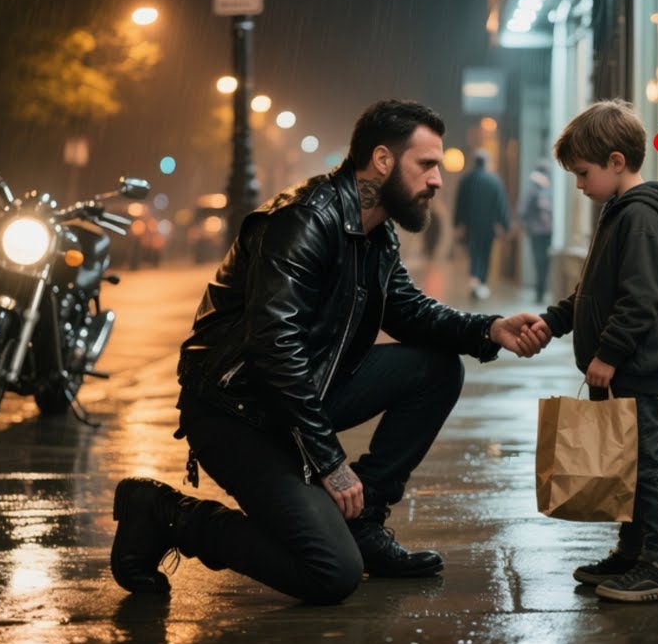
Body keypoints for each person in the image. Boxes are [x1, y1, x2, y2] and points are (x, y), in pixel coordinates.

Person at [110, 99, 546, 605]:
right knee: (330, 574)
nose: (438, 180)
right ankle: (169, 515)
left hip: (298, 396)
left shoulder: (375, 232)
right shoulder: (303, 221)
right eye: (426, 165)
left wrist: (491, 328)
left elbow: (407, 310)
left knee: (435, 369)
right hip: (236, 411)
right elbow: (274, 347)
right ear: (382, 161)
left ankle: (363, 522)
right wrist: (329, 463)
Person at [528, 99, 658, 603]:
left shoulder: (639, 218)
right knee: (629, 464)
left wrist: (609, 355)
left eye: (583, 173)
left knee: (647, 464)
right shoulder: (619, 213)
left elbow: (639, 299)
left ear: (617, 162)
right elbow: (592, 292)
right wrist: (553, 321)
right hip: (622, 368)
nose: (579, 185)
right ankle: (633, 553)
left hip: (634, 369)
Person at [453, 150, 509, 300]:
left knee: (474, 251)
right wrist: (504, 224)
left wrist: (457, 223)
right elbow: (501, 204)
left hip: (471, 224)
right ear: (487, 162)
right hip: (488, 226)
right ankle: (481, 282)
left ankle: (474, 279)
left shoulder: (466, 179)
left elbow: (459, 203)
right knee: (485, 252)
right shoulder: (494, 180)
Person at [517, 161, 554, 302]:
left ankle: (540, 292)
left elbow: (522, 210)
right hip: (546, 231)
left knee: (539, 261)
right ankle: (541, 291)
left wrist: (528, 226)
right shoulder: (548, 188)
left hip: (536, 232)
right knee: (543, 263)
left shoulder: (532, 188)